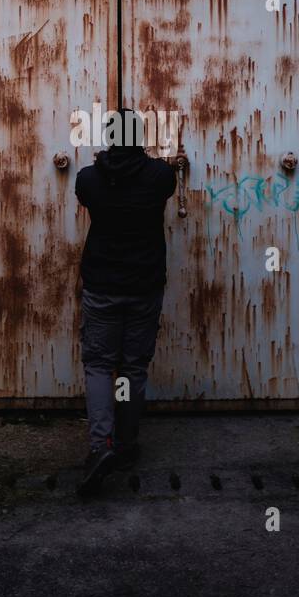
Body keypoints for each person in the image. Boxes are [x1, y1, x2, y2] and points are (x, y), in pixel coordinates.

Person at [74, 109, 177, 497]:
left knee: (100, 364)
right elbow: (164, 181)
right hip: (144, 286)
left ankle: (102, 447)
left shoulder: (89, 179)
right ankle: (128, 444)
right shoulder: (161, 177)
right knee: (133, 367)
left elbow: (90, 196)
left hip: (101, 285)